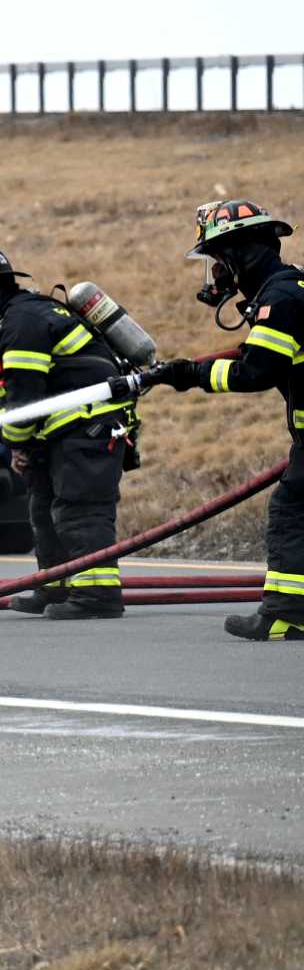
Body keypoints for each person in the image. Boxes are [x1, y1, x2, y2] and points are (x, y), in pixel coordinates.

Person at [0, 244, 133, 619]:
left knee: (80, 509)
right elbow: (18, 397)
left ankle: (97, 595)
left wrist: (16, 445)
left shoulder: (22, 322)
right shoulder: (11, 320)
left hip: (89, 427)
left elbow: (24, 398)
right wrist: (23, 443)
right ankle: (57, 585)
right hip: (62, 429)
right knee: (43, 506)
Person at [148, 200, 304, 640]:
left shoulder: (281, 297)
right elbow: (266, 353)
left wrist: (192, 376)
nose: (214, 273)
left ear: (240, 254)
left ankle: (286, 615)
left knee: (291, 513)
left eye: (217, 261)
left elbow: (256, 371)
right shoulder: (290, 289)